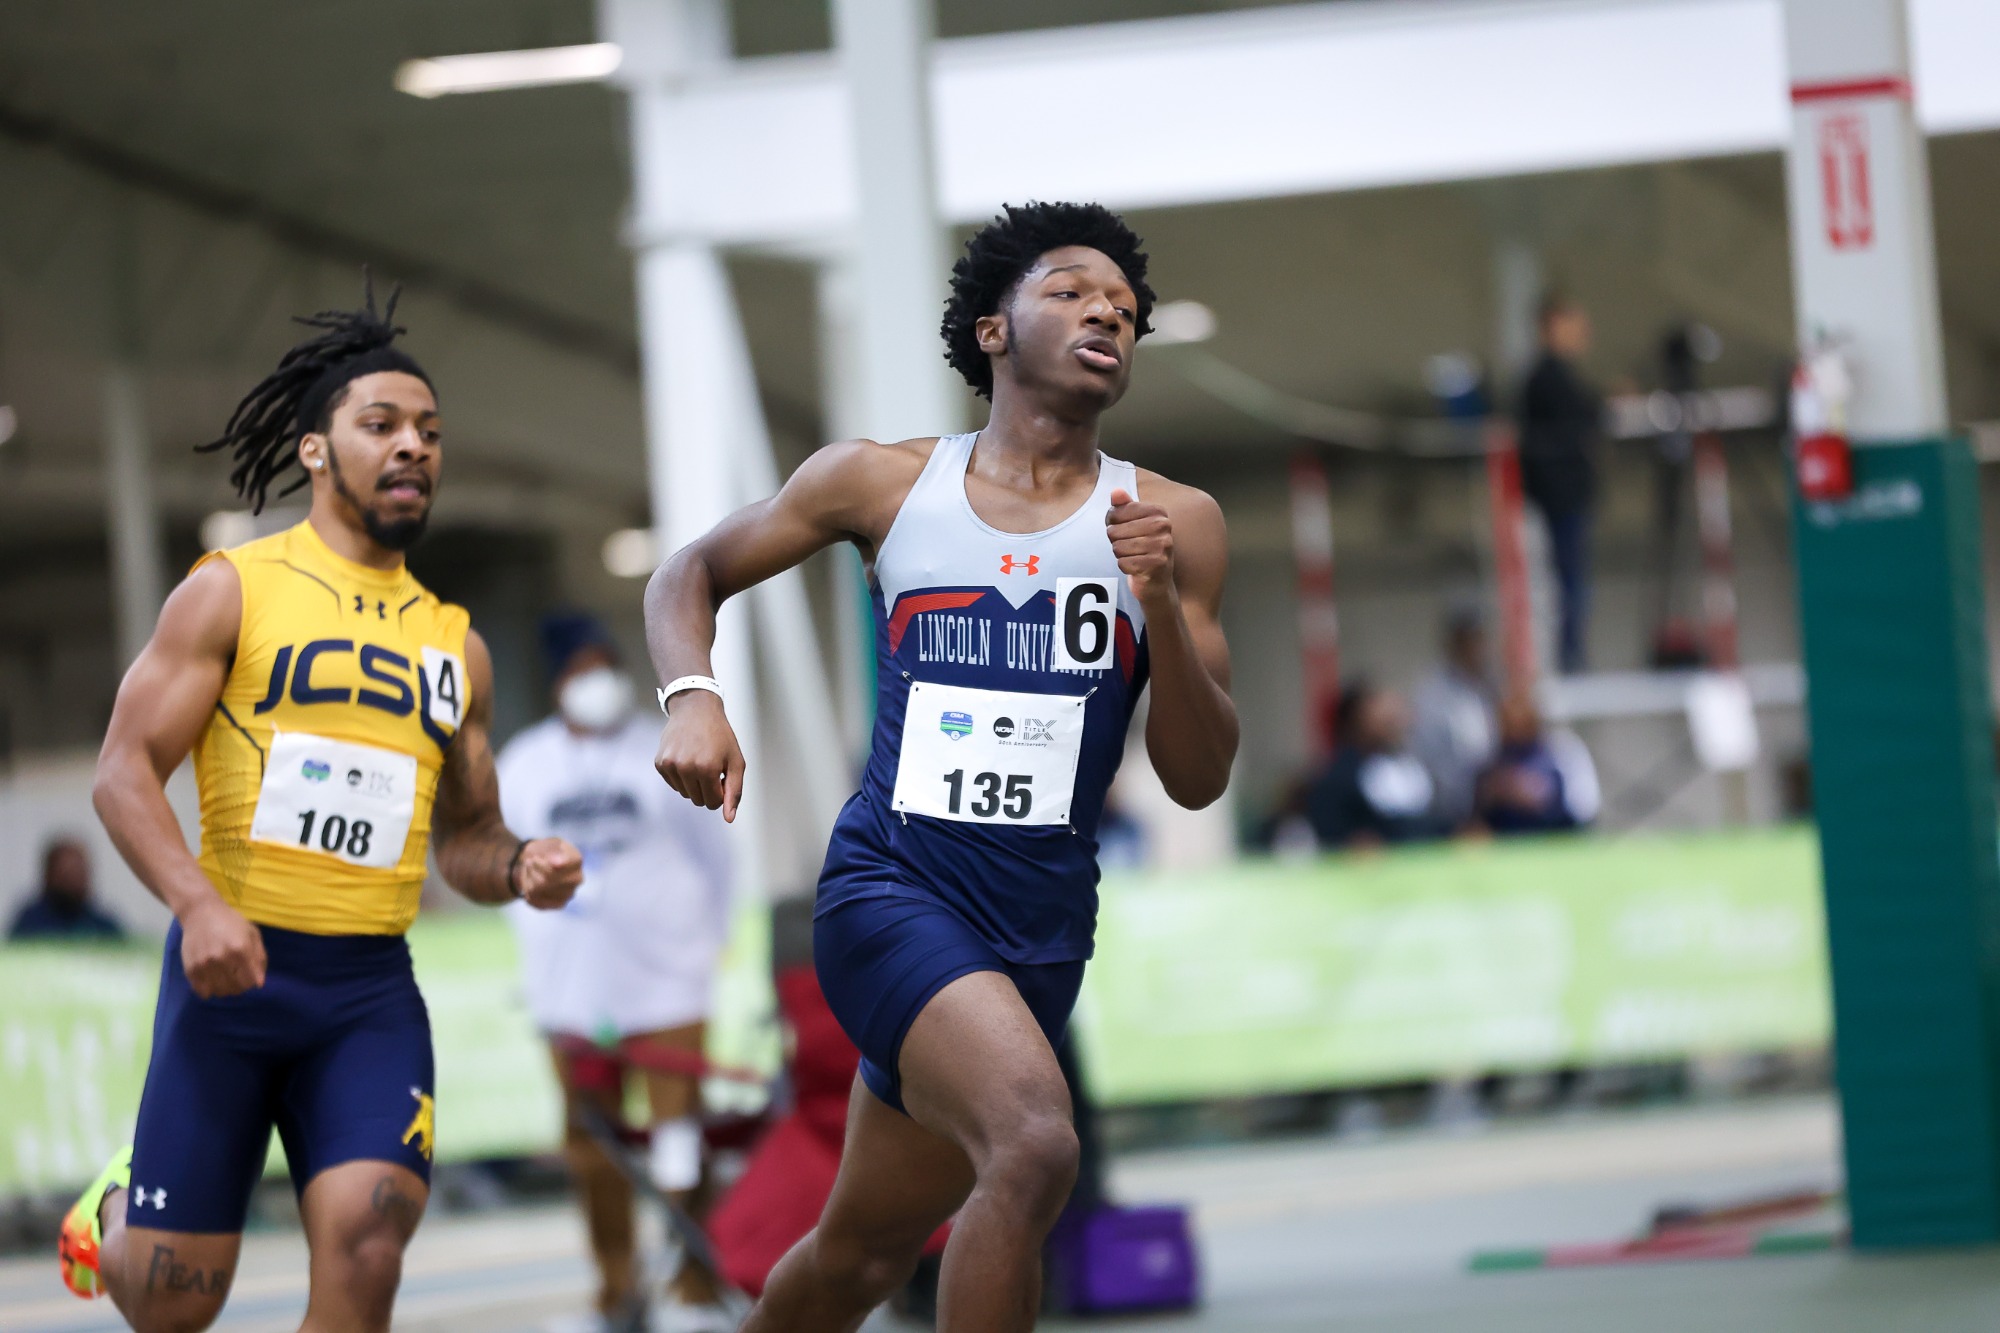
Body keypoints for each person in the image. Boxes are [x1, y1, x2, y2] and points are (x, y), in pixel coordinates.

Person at [645, 201, 1236, 1332]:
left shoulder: (1174, 521)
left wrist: (1157, 603)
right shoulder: (881, 484)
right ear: (992, 329)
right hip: (892, 890)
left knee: (860, 1253)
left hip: (1040, 928)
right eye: (1070, 292)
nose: (1105, 314)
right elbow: (688, 574)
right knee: (1034, 1141)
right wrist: (694, 699)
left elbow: (1199, 775)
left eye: (1123, 308)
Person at [59, 285, 584, 1333]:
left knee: (369, 1244)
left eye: (429, 431)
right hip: (231, 974)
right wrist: (199, 906)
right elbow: (123, 769)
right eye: (381, 425)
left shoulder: (455, 645)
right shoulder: (233, 589)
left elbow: (466, 838)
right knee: (169, 1301)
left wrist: (520, 863)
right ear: (315, 450)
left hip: (365, 992)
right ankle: (113, 1208)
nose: (412, 446)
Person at [498, 612, 733, 1333]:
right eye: (580, 667)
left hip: (668, 985)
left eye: (605, 662)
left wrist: (705, 944)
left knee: (680, 1141)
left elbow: (717, 855)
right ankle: (617, 1296)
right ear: (556, 680)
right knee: (593, 1152)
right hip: (572, 994)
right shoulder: (524, 764)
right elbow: (506, 866)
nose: (596, 679)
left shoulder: (665, 748)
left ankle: (694, 1291)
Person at [1517, 294, 1604, 675]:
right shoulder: (1546, 378)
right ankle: (1568, 657)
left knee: (1571, 579)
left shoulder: (1559, 377)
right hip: (1558, 498)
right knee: (1565, 580)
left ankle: (1571, 653)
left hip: (1564, 496)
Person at [1302, 682, 1442, 850]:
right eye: (1385, 721)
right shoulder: (1338, 777)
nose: (1394, 726)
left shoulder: (1412, 767)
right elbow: (1331, 832)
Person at [1407, 601, 1499, 832]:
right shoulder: (1433, 695)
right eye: (1470, 640)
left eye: (1481, 639)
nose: (1478, 649)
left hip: (1493, 807)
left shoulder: (1489, 687)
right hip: (1451, 813)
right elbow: (1431, 762)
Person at [1475, 691, 1601, 834]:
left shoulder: (1556, 751)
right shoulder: (1495, 757)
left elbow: (1576, 806)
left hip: (1553, 831)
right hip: (1508, 835)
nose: (1515, 725)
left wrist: (1533, 792)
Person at [9, 837, 124, 941]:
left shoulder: (103, 928)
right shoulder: (29, 924)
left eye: (79, 873)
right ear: (48, 876)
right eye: (67, 873)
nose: (74, 880)